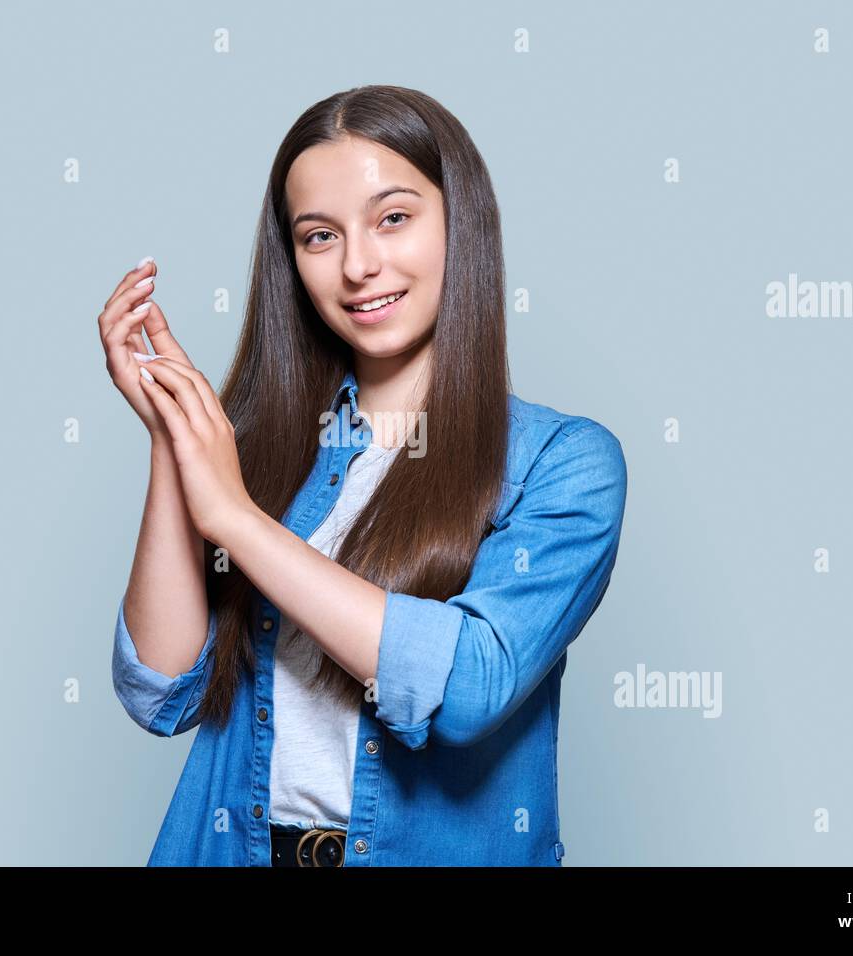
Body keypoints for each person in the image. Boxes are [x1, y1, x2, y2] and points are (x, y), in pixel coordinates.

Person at [99, 85, 627, 866]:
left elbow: (470, 687)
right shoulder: (259, 454)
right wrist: (176, 439)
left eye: (394, 218)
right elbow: (161, 692)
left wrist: (237, 519)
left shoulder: (562, 464)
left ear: (461, 222)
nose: (358, 264)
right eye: (319, 236)